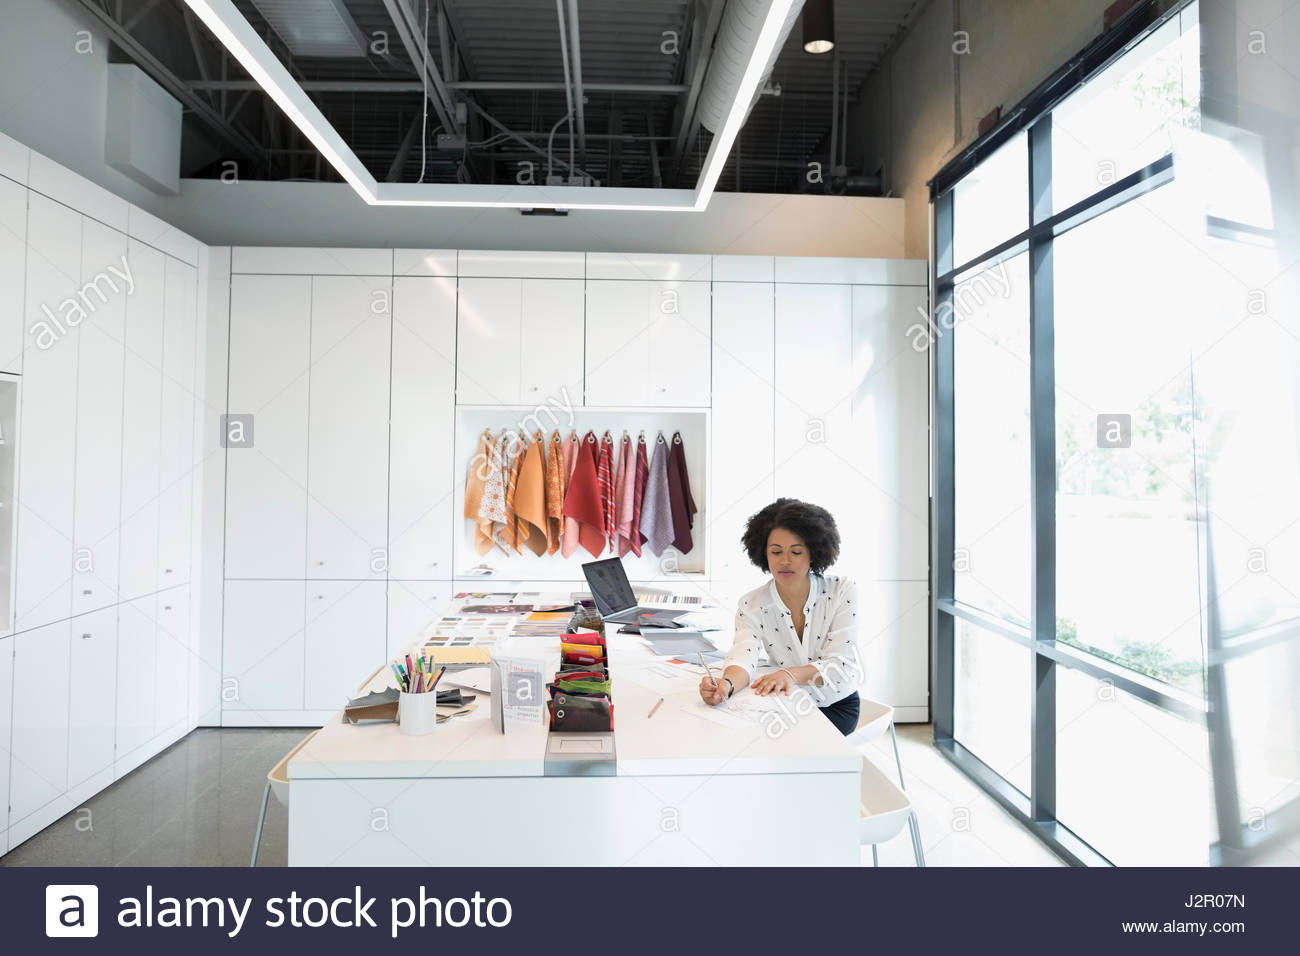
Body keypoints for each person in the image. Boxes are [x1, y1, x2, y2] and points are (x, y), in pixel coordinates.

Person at [698, 498, 863, 735]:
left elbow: (841, 666)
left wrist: (789, 674)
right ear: (763, 554)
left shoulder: (841, 591)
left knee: (782, 746)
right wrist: (727, 685)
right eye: (776, 552)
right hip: (785, 704)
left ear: (813, 553)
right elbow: (744, 656)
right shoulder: (751, 603)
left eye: (796, 552)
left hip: (835, 705)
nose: (785, 561)